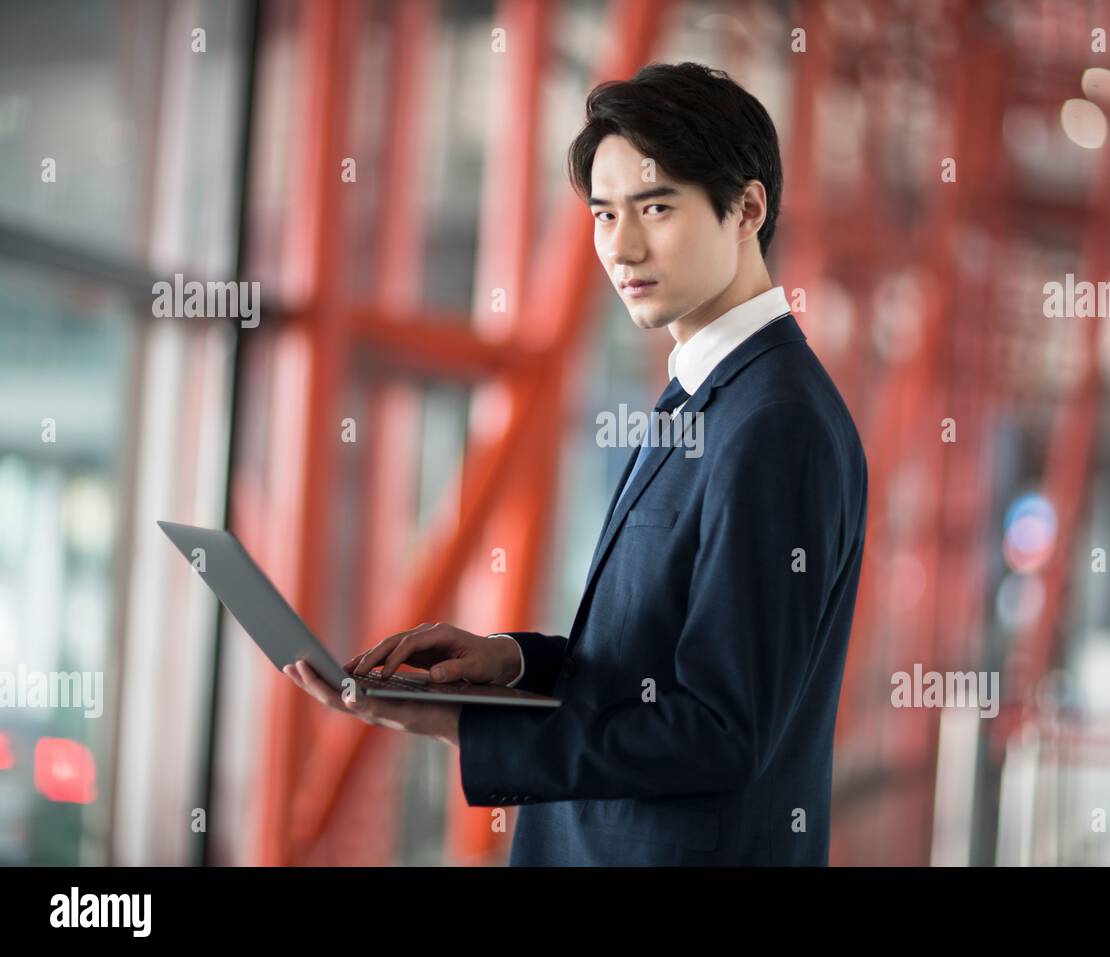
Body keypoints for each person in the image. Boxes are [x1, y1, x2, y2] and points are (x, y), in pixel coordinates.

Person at [286, 60, 868, 866]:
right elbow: (660, 667)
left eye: (656, 208)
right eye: (603, 214)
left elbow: (721, 730)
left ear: (747, 208)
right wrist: (513, 662)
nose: (621, 246)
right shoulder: (707, 395)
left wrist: (466, 725)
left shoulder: (776, 424)